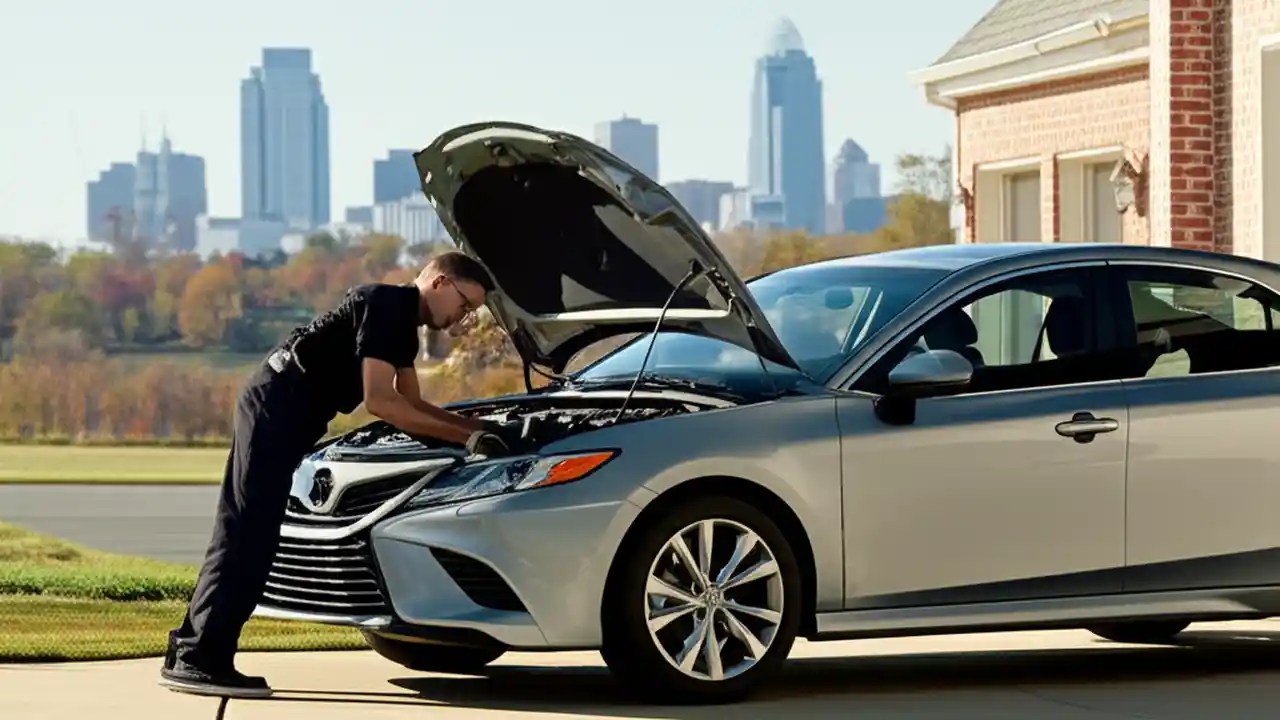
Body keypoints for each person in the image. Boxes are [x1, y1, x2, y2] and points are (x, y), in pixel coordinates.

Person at [159, 251, 519, 698]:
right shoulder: (387, 305)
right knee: (248, 532)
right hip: (276, 404)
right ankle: (201, 658)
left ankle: (189, 649)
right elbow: (382, 403)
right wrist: (467, 439)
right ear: (442, 283)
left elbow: (415, 407)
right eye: (465, 305)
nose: (464, 318)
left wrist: (480, 430)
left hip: (286, 411)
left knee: (246, 529)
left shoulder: (401, 326)